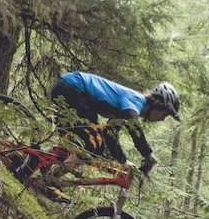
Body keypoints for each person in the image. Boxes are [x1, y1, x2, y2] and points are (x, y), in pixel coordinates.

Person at [50, 71, 181, 174]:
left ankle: (31, 161)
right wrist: (147, 153)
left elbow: (110, 135)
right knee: (95, 144)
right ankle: (50, 180)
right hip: (73, 86)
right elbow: (133, 125)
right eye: (165, 114)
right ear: (158, 104)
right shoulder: (136, 100)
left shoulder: (126, 109)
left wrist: (123, 161)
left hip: (67, 85)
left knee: (74, 144)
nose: (162, 119)